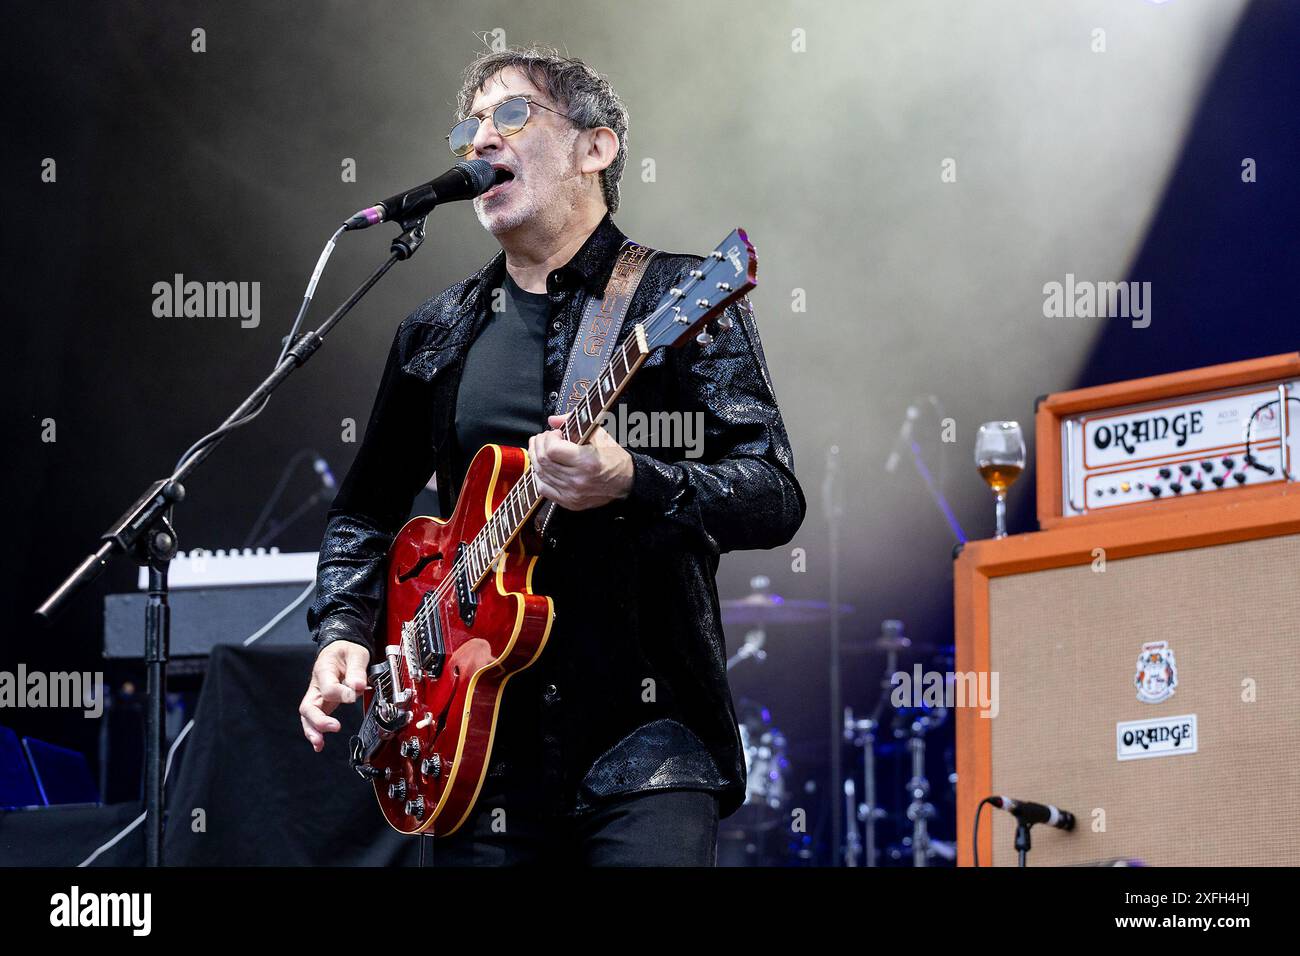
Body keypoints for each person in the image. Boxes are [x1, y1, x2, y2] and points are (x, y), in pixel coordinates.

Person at [297, 46, 805, 866]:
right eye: (468, 129)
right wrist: (342, 631)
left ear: (595, 148)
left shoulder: (676, 298)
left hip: (647, 745)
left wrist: (634, 478)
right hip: (472, 749)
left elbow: (775, 494)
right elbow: (364, 510)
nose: (478, 143)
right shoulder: (436, 329)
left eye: (510, 115)